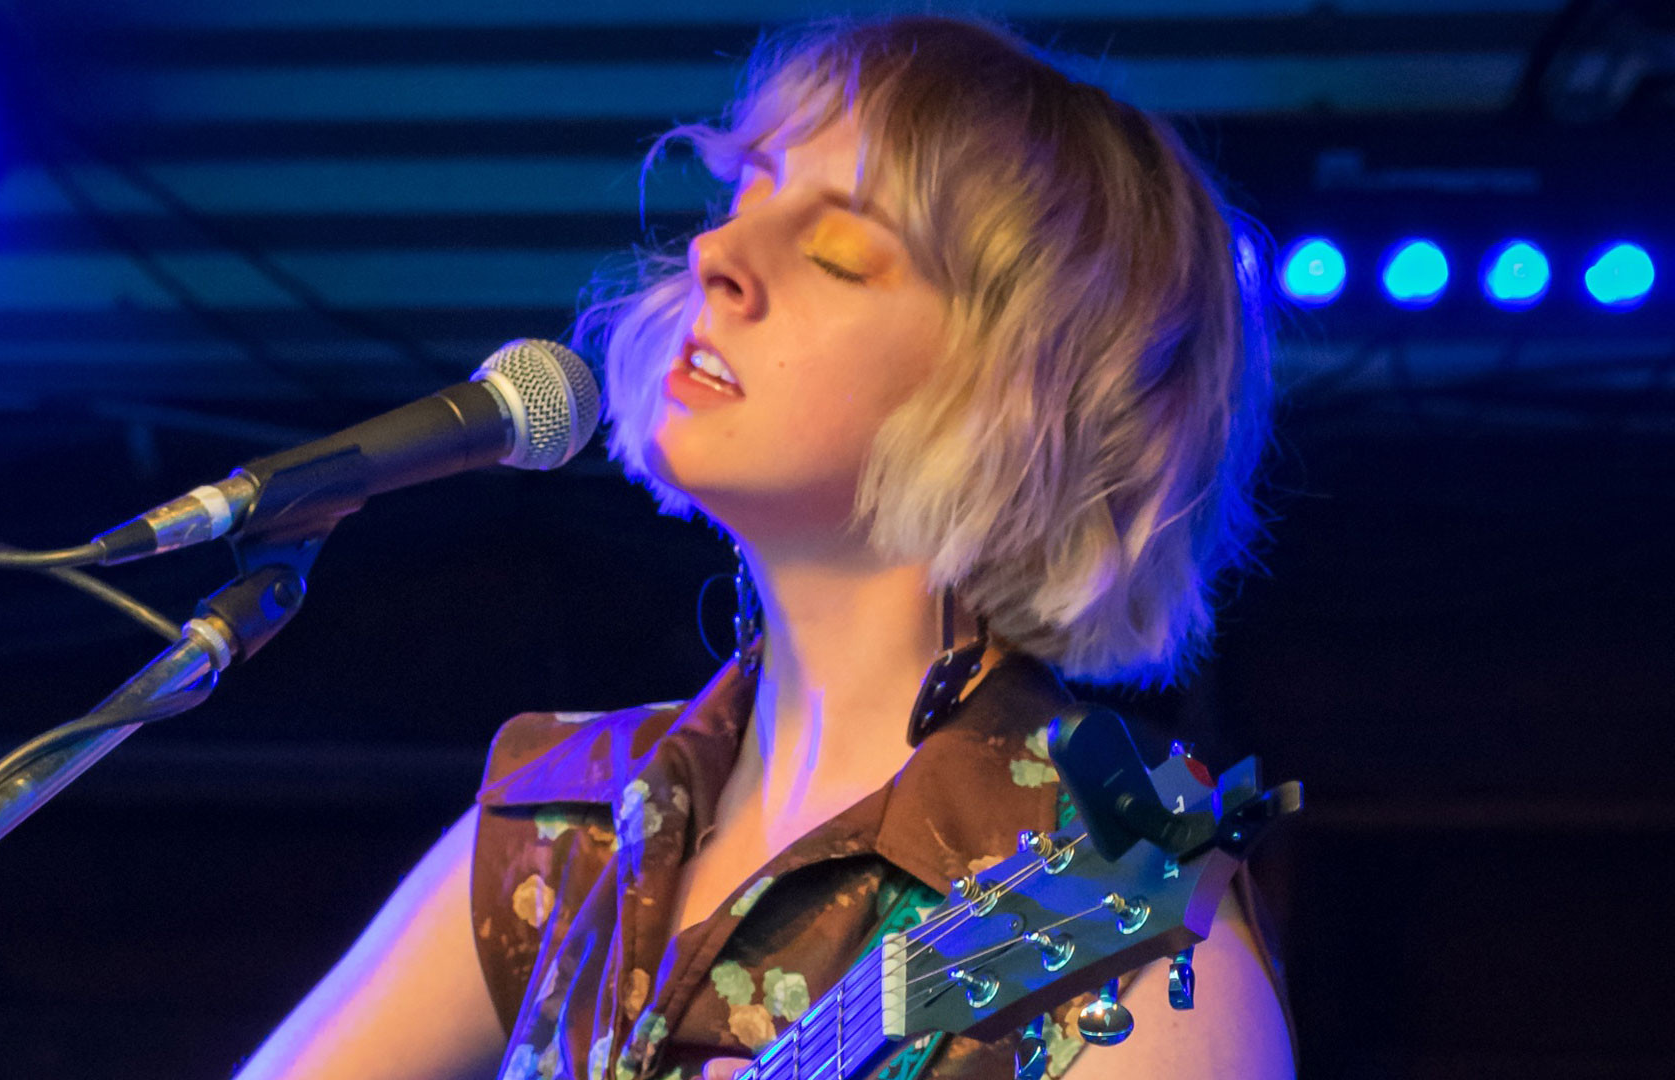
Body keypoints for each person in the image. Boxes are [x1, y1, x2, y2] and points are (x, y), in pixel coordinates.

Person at [235, 13, 1287, 1080]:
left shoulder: (1121, 926)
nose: (716, 253)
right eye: (744, 199)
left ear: (1013, 407)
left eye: (838, 255)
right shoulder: (570, 830)